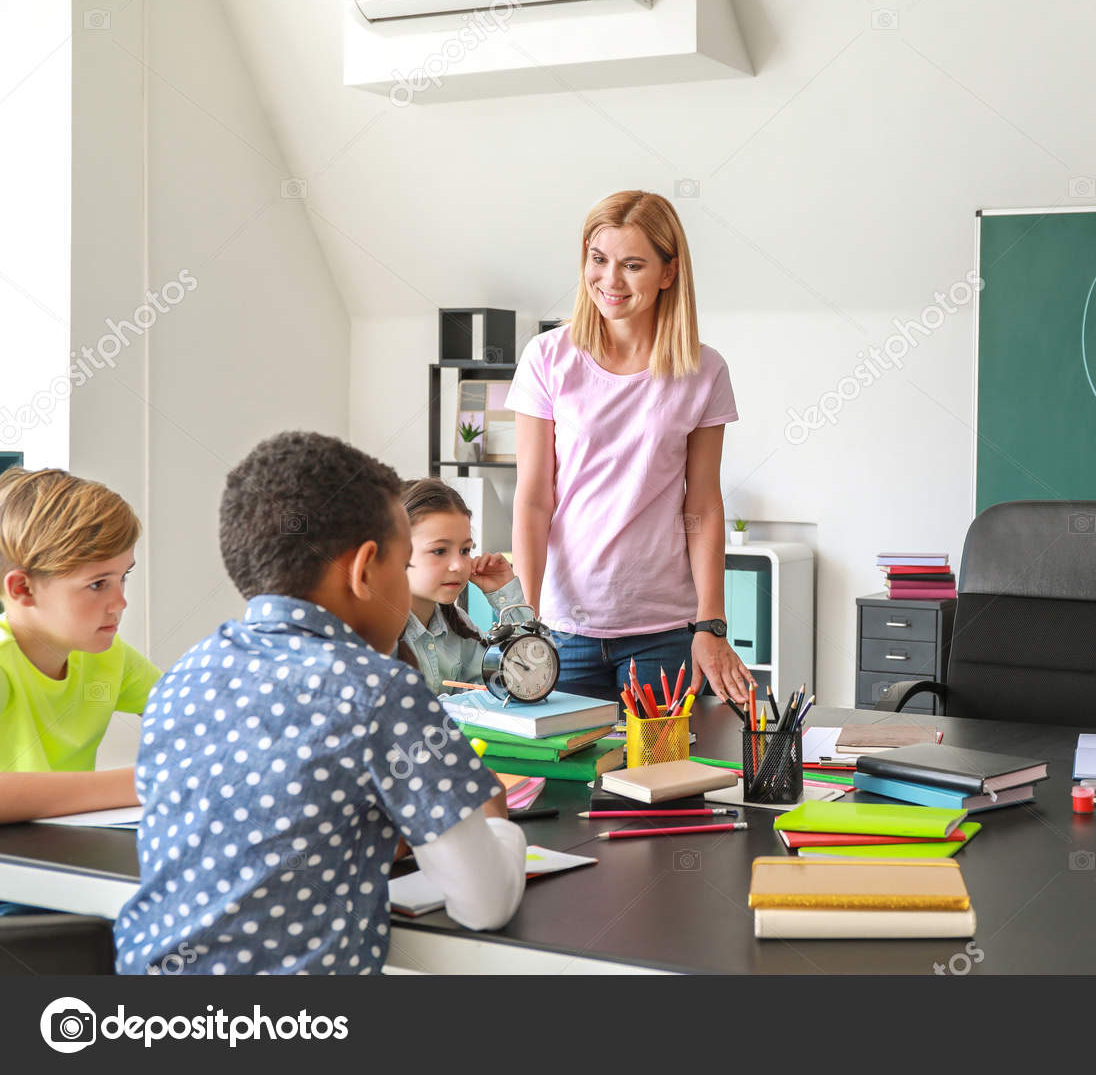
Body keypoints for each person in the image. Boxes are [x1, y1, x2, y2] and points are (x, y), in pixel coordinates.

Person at [114, 432, 526, 975]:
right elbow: (486, 904)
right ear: (364, 570)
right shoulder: (382, 690)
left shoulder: (184, 676)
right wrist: (492, 814)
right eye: (406, 563)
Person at [506, 190, 755, 706]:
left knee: (657, 782)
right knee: (567, 782)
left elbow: (702, 503)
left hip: (663, 632)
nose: (610, 281)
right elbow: (533, 499)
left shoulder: (704, 370)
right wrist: (523, 622)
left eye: (632, 265)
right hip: (561, 631)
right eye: (598, 260)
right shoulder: (548, 358)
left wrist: (711, 623)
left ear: (668, 272)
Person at [0, 468, 160, 827]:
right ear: (23, 589)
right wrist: (147, 781)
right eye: (98, 584)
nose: (120, 602)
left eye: (124, 578)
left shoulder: (110, 657)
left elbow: (192, 714)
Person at [397, 478, 524, 694]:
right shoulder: (373, 635)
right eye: (439, 551)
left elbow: (522, 679)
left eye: (465, 550)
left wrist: (505, 594)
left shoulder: (458, 626)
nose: (458, 565)